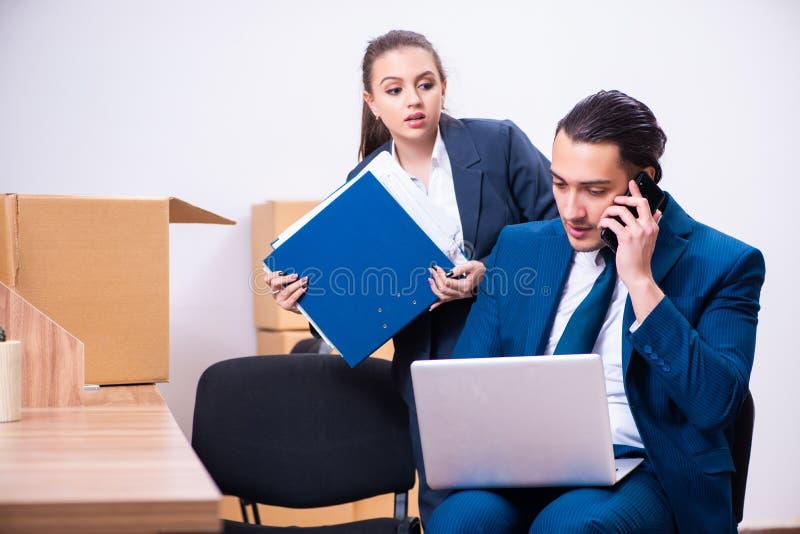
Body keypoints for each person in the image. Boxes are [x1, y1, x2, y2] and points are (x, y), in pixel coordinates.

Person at [426, 90, 765, 533]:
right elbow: (466, 381)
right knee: (458, 523)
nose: (572, 210)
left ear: (642, 181)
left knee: (568, 528)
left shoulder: (724, 263)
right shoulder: (520, 248)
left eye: (594, 190)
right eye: (560, 184)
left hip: (645, 467)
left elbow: (716, 405)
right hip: (522, 463)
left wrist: (641, 281)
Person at [265, 29, 557, 524]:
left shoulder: (499, 142)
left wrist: (488, 275)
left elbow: (565, 235)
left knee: (538, 506)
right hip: (432, 378)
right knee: (452, 516)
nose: (413, 100)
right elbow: (354, 308)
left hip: (518, 355)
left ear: (443, 87)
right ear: (372, 102)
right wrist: (305, 300)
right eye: (394, 89)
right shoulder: (363, 185)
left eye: (425, 84)